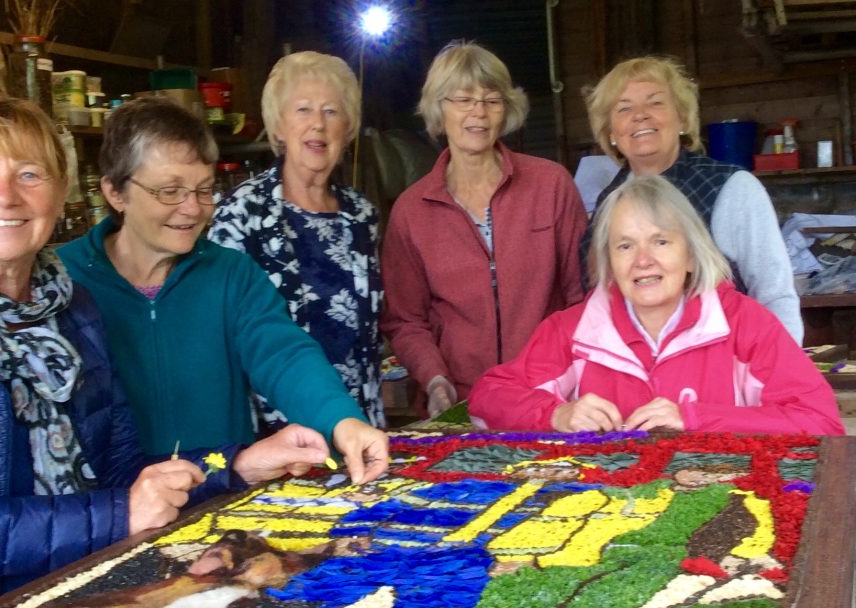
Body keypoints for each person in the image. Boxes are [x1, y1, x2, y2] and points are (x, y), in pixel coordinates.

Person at [0, 96, 360, 608]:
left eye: (30, 175)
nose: (5, 195)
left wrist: (237, 466)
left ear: (60, 196)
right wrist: (116, 516)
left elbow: (121, 476)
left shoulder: (71, 309)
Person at [58, 97, 388, 473]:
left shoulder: (231, 273)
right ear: (115, 192)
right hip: (111, 513)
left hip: (221, 496)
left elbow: (284, 355)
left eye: (203, 190)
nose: (192, 208)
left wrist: (341, 421)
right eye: (170, 191)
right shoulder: (64, 280)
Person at [468, 174, 843, 435]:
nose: (642, 260)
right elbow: (488, 398)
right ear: (608, 264)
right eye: (625, 245)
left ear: (692, 257)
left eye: (661, 242)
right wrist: (557, 413)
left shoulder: (744, 323)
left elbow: (819, 420)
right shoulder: (572, 329)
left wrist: (695, 418)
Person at [380, 41, 587, 418]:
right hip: (459, 401)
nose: (478, 112)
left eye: (491, 100)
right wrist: (434, 379)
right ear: (439, 110)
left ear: (505, 110)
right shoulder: (411, 211)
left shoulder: (551, 185)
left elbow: (582, 297)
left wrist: (571, 376)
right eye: (462, 99)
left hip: (549, 396)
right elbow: (405, 320)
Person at [208, 51, 384, 428]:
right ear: (279, 126)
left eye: (331, 111)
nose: (318, 124)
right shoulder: (242, 213)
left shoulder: (362, 215)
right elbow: (221, 335)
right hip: (277, 433)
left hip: (359, 425)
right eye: (303, 110)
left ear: (348, 128)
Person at [581, 55, 803, 344]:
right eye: (624, 108)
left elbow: (775, 295)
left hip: (729, 368)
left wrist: (782, 375)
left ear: (683, 119)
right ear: (611, 133)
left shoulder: (733, 188)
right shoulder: (607, 204)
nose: (640, 115)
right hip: (635, 374)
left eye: (655, 102)